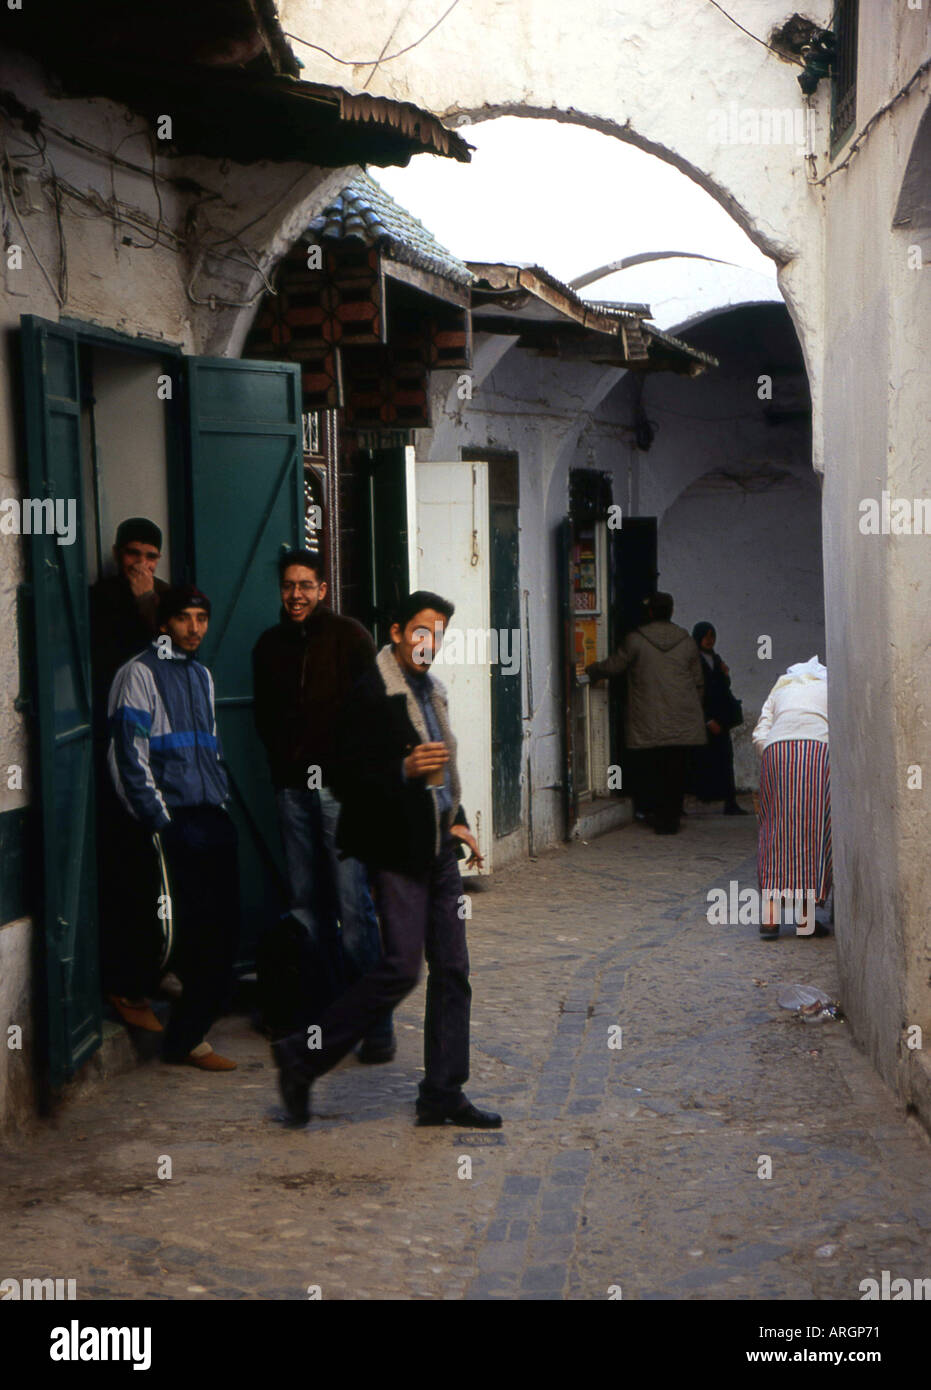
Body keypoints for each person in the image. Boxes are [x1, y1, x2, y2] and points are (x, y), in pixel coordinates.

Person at [271, 591, 500, 1131]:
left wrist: (458, 813)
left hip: (439, 848)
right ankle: (301, 1057)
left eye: (439, 632)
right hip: (396, 849)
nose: (430, 642)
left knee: (453, 969)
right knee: (399, 967)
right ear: (397, 632)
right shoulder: (369, 694)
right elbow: (346, 776)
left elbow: (439, 768)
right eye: (422, 630)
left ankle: (443, 1093)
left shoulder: (433, 691)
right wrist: (401, 768)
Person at [252, 549, 395, 1061]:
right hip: (291, 789)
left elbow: (378, 709)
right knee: (305, 908)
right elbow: (264, 718)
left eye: (305, 586)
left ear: (323, 589)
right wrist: (286, 766)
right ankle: (322, 1017)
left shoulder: (351, 637)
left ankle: (376, 1021)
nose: (296, 595)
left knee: (353, 906)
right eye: (289, 585)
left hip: (339, 793)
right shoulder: (268, 646)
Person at [107, 585, 241, 1069]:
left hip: (212, 815)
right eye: (183, 618)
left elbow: (212, 745)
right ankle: (173, 1028)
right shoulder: (138, 673)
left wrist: (220, 799)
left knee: (224, 934)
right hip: (173, 820)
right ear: (164, 623)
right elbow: (129, 757)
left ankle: (189, 1036)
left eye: (201, 618)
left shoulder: (202, 675)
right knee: (180, 931)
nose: (194, 628)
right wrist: (160, 820)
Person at [90, 517, 171, 1033]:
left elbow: (171, 655)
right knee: (127, 870)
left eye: (150, 556)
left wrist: (150, 603)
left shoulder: (163, 599)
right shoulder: (101, 597)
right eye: (133, 554)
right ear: (119, 553)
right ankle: (126, 984)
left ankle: (155, 967)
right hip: (119, 744)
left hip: (160, 746)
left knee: (161, 870)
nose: (141, 564)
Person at [586, 592, 707, 834]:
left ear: (650, 612)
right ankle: (672, 817)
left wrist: (590, 669)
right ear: (670, 612)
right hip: (682, 718)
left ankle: (658, 815)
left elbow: (615, 665)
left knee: (654, 769)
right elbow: (698, 683)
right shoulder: (687, 642)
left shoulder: (635, 640)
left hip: (648, 718)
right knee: (676, 769)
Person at [752, 656, 831, 939]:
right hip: (818, 750)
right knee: (813, 831)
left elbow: (761, 730)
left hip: (776, 751)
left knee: (775, 830)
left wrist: (774, 751)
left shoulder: (781, 686)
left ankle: (770, 919)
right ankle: (805, 921)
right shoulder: (829, 686)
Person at [690, 621, 748, 815]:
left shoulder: (715, 659)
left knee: (725, 759)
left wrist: (725, 674)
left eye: (712, 636)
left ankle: (729, 802)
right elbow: (693, 693)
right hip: (701, 720)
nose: (709, 640)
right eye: (705, 636)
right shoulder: (693, 661)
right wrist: (706, 719)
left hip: (721, 719)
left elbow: (722, 689)